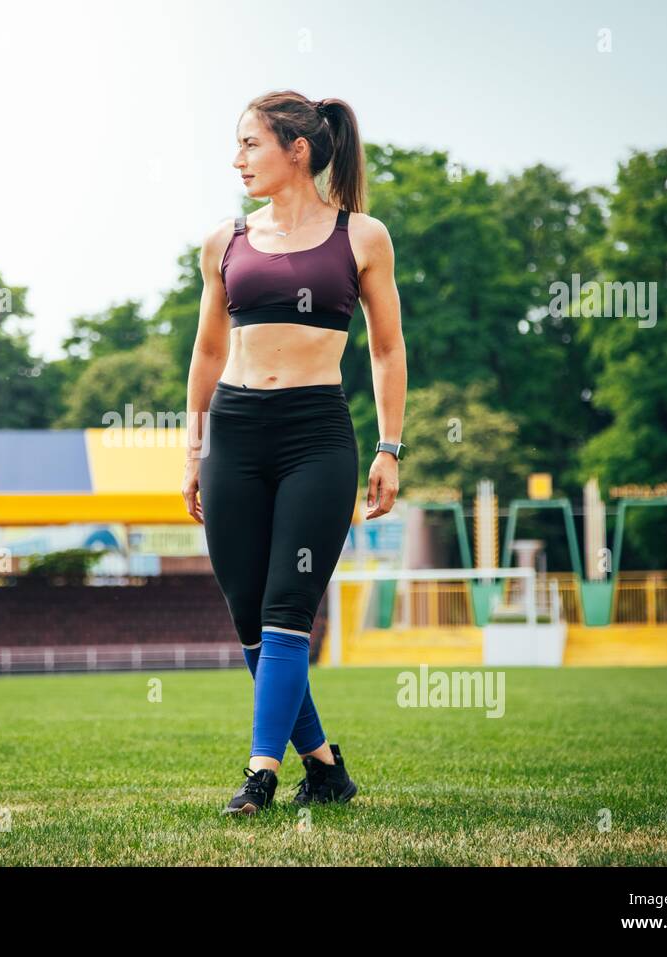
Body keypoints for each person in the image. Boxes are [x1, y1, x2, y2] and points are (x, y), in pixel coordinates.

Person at [183, 90, 407, 815]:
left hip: (316, 435)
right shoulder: (224, 242)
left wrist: (389, 447)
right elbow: (209, 348)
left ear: (297, 149)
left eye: (251, 143)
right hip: (236, 433)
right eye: (238, 144)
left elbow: (386, 347)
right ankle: (326, 766)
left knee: (287, 608)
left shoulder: (362, 237)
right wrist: (195, 448)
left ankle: (260, 774)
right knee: (249, 613)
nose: (238, 158)